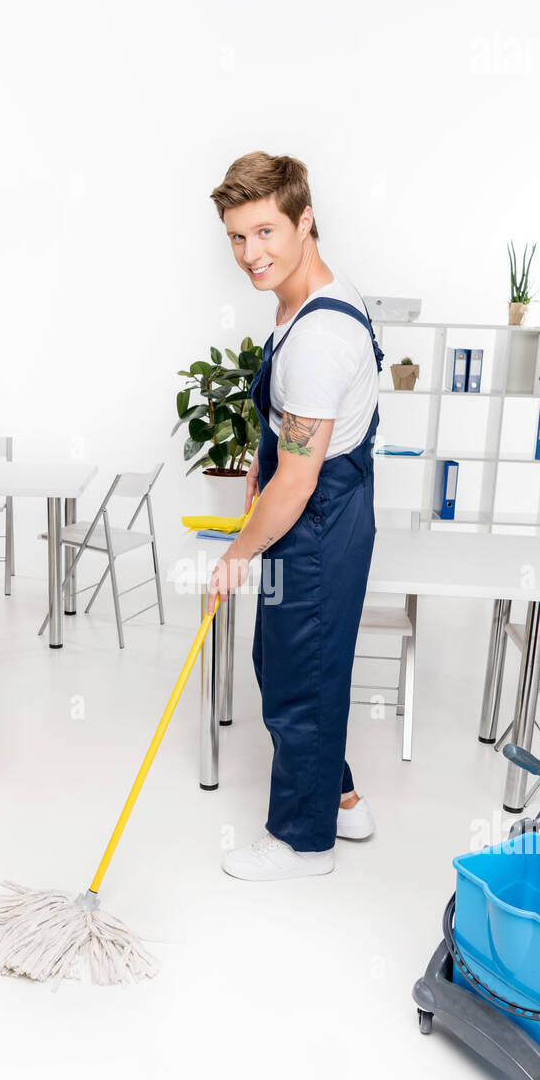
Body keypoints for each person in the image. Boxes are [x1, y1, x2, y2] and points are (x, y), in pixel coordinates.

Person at [206, 151, 384, 881]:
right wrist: (259, 466)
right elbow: (287, 436)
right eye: (237, 238)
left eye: (266, 233)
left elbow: (300, 477)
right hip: (314, 500)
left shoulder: (318, 339)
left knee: (299, 671)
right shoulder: (307, 296)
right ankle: (340, 798)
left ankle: (301, 843)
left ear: (304, 219)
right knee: (290, 662)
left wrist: (237, 552)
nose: (252, 255)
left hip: (315, 515)